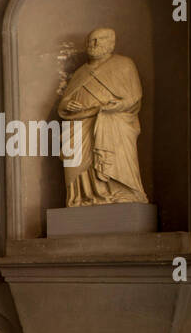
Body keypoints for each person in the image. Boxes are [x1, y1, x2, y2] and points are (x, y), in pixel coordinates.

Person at [57, 27, 146, 206]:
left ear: (111, 43)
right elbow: (66, 99)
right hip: (80, 122)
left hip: (113, 121)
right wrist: (66, 104)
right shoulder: (81, 72)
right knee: (74, 157)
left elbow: (134, 97)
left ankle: (120, 193)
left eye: (100, 40)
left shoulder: (124, 64)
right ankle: (83, 197)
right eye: (91, 40)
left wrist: (117, 106)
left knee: (112, 150)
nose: (94, 44)